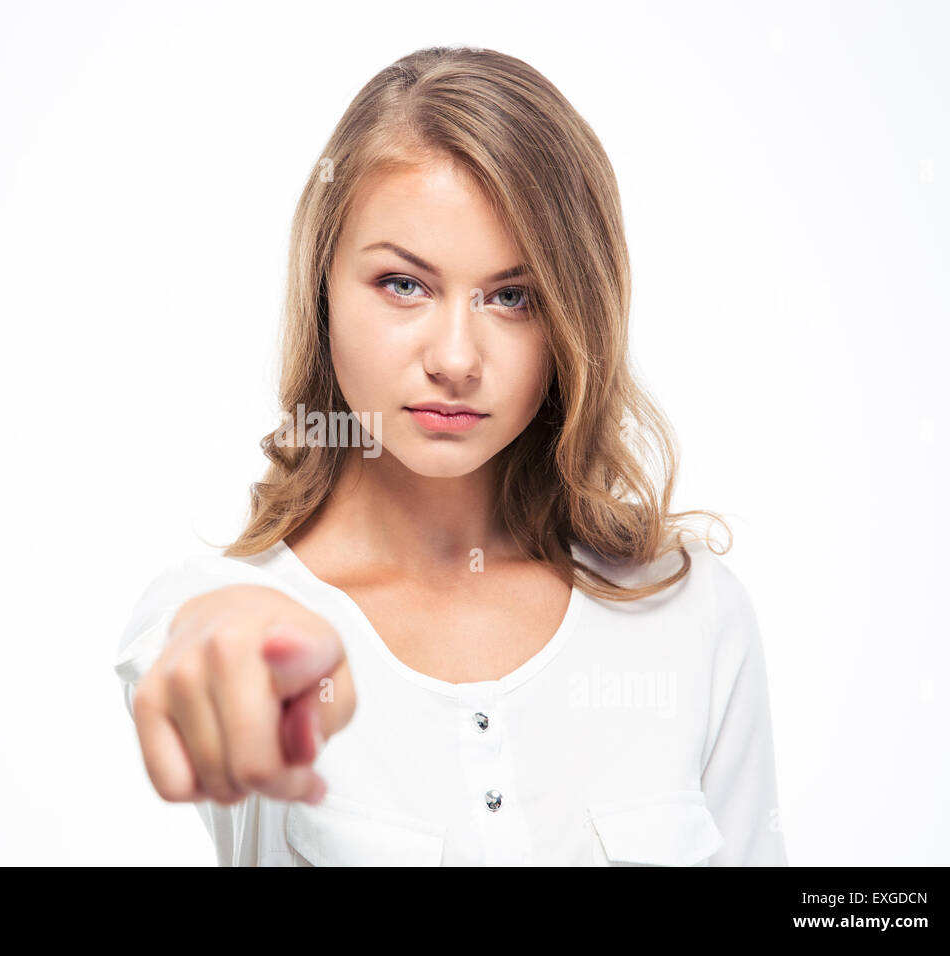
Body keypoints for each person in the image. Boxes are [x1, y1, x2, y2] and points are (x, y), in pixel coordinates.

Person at [115, 45, 787, 866]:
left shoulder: (688, 612)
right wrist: (220, 655)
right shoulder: (238, 613)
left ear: (574, 317)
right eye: (404, 285)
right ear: (322, 287)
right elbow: (193, 649)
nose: (457, 358)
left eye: (512, 297)